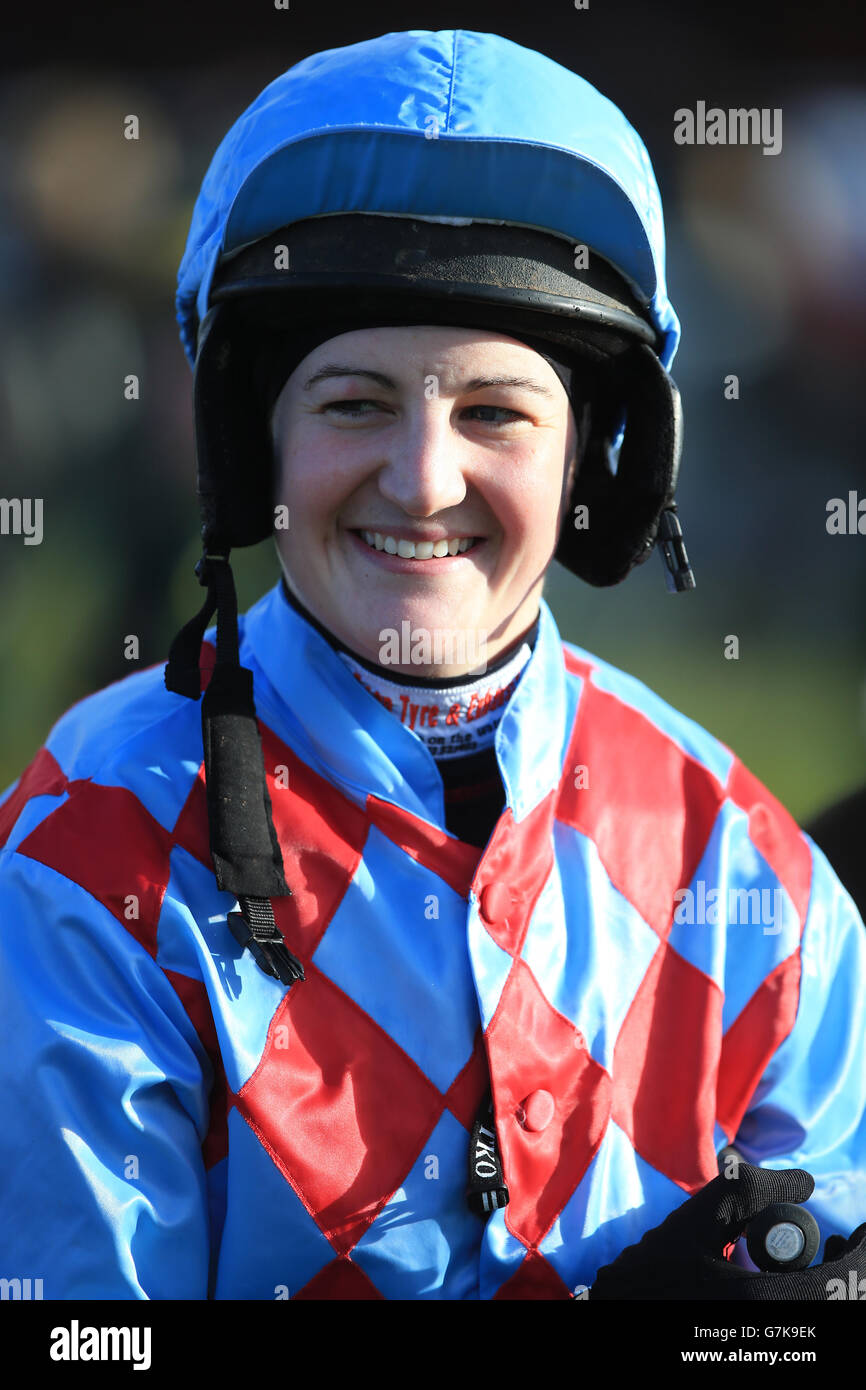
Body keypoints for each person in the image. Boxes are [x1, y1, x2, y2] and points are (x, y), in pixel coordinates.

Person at [1, 28, 864, 1302]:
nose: (422, 479)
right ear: (254, 447)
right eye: (353, 401)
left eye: (493, 413)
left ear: (593, 464)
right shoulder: (90, 849)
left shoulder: (742, 861)